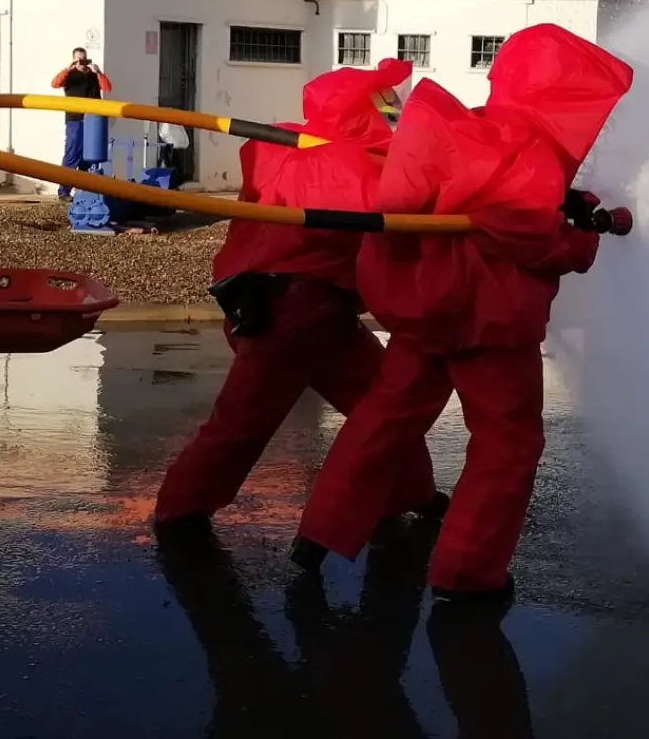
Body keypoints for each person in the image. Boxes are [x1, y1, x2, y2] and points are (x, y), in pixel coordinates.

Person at [291, 24, 633, 601]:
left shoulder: (458, 127)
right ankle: (467, 573)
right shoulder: (531, 156)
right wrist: (585, 236)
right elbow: (541, 242)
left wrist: (568, 205)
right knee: (506, 443)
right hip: (491, 328)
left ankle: (319, 534)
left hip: (425, 313)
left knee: (385, 419)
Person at [154, 59, 445, 536]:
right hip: (292, 310)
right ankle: (180, 511)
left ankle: (410, 494)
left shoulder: (285, 148)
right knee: (249, 419)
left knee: (382, 406)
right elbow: (405, 221)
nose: (396, 116)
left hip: (293, 303)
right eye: (388, 108)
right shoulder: (351, 165)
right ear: (363, 114)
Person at [50, 47, 112, 199]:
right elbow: (55, 83)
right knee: (72, 154)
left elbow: (107, 88)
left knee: (89, 156)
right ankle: (64, 191)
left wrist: (99, 72)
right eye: (78, 60)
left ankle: (85, 191)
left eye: (84, 59)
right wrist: (67, 69)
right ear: (73, 60)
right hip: (75, 119)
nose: (81, 63)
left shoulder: (93, 75)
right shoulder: (69, 75)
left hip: (93, 120)